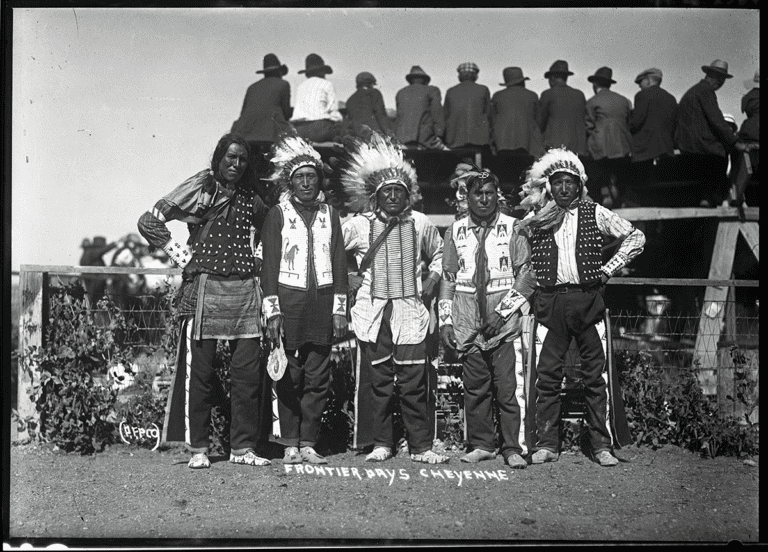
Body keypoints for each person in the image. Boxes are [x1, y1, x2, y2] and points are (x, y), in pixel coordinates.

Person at [137, 133, 271, 469]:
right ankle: (198, 448)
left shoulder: (250, 197)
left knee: (247, 374)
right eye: (230, 157)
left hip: (244, 294)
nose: (236, 164)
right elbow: (149, 220)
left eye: (242, 159)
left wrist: (256, 260)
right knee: (201, 372)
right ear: (218, 157)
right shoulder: (203, 187)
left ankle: (242, 448)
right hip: (204, 290)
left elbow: (270, 231)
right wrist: (184, 257)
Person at [518, 147, 644, 467]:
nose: (564, 188)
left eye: (570, 183)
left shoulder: (595, 212)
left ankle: (600, 445)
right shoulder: (535, 219)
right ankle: (546, 443)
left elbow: (636, 238)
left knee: (594, 376)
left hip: (588, 302)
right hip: (550, 303)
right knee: (546, 376)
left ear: (579, 185)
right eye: (557, 182)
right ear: (549, 186)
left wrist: (608, 269)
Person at [341, 128, 448, 464]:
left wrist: (432, 276)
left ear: (408, 195)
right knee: (379, 382)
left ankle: (420, 447)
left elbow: (442, 253)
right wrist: (348, 277)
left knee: (414, 381)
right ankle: (381, 443)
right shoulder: (358, 225)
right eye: (385, 192)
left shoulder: (420, 223)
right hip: (372, 314)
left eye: (397, 192)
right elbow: (331, 252)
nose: (392, 197)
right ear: (375, 195)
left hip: (410, 313)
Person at [438, 168, 536, 469]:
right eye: (477, 193)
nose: (483, 199)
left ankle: (513, 447)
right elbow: (448, 278)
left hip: (504, 324)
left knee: (508, 389)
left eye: (489, 193)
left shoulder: (514, 227)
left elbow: (527, 276)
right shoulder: (455, 231)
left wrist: (501, 312)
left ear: (497, 195)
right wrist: (445, 321)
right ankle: (482, 444)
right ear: (467, 198)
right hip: (468, 323)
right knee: (476, 388)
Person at [260, 135, 349, 465]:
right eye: (300, 177)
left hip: (323, 306)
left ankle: (310, 441)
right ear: (291, 182)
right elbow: (269, 266)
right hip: (289, 306)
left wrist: (340, 310)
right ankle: (289, 442)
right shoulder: (278, 214)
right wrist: (272, 312)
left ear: (319, 179)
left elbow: (339, 261)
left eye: (312, 176)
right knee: (288, 375)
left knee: (318, 376)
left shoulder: (331, 215)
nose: (307, 182)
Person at [675, 60, 751, 206]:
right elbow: (716, 119)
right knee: (721, 153)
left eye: (722, 78)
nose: (720, 81)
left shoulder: (695, 90)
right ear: (708, 74)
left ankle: (710, 196)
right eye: (717, 76)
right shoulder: (705, 91)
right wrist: (735, 142)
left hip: (688, 143)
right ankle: (712, 197)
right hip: (698, 144)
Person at [628, 67, 678, 203]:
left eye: (641, 82)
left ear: (649, 80)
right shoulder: (671, 98)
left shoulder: (642, 96)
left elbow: (636, 123)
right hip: (666, 149)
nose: (639, 85)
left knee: (641, 188)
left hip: (645, 150)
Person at [584, 67, 633, 208]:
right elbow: (628, 122)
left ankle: (604, 195)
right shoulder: (624, 100)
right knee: (618, 172)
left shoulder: (592, 101)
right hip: (622, 145)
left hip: (601, 147)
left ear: (595, 84)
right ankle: (618, 197)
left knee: (597, 171)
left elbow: (588, 125)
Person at [231, 53, 292, 144]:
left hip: (245, 134)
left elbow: (243, 113)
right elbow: (286, 113)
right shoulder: (283, 84)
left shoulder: (252, 87)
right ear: (279, 71)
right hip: (271, 133)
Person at [490, 66, 545, 157]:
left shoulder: (497, 96)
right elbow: (539, 122)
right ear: (522, 81)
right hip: (528, 146)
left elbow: (492, 121)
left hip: (502, 145)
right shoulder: (532, 96)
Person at [537, 60, 587, 156]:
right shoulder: (579, 95)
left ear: (552, 78)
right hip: (578, 149)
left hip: (555, 148)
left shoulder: (547, 94)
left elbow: (540, 124)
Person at [290, 53, 344, 143]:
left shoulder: (301, 86)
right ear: (321, 71)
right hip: (320, 129)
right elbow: (333, 111)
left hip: (299, 130)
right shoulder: (327, 84)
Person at [395, 65, 448, 150]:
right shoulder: (432, 90)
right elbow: (437, 114)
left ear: (410, 80)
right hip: (425, 140)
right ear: (425, 80)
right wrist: (439, 135)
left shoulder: (400, 92)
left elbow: (399, 117)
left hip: (402, 140)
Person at [444, 62, 491, 151]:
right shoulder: (483, 89)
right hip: (479, 141)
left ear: (460, 76)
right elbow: (488, 114)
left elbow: (445, 115)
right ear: (475, 76)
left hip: (455, 140)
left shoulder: (451, 91)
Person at [345, 72, 392, 136]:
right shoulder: (375, 93)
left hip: (357, 136)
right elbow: (381, 115)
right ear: (370, 84)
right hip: (374, 134)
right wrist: (389, 133)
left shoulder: (350, 100)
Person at [79, 236, 117, 306]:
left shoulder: (88, 254)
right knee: (94, 300)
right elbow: (102, 251)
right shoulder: (91, 253)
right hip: (93, 282)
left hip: (92, 282)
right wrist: (114, 244)